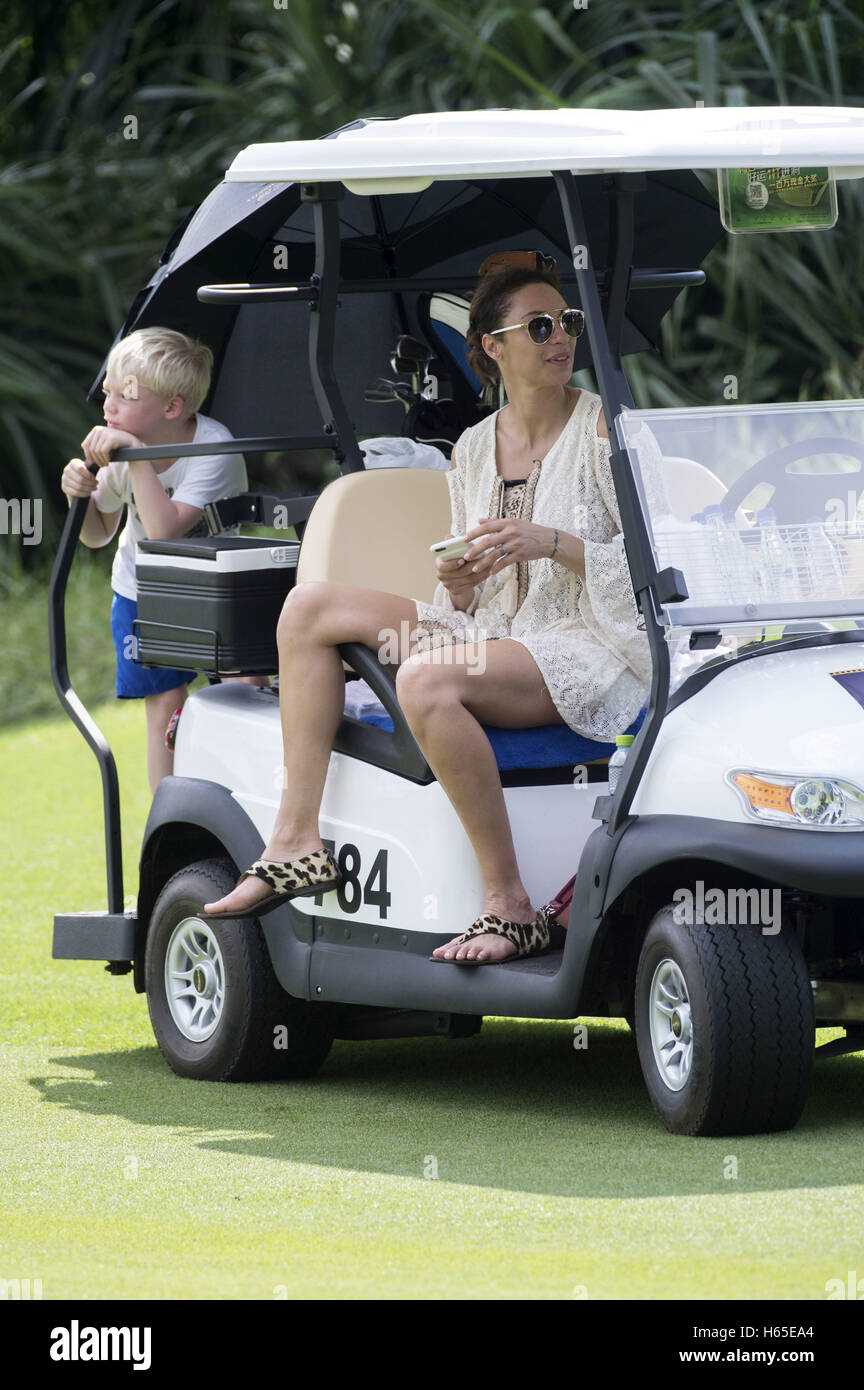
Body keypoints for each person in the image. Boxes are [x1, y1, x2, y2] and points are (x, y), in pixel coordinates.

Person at [203, 264, 653, 965]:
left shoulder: (610, 430)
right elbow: (466, 599)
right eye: (539, 326)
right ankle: (296, 840)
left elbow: (653, 570)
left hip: (584, 643)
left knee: (425, 681)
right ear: (493, 347)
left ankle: (510, 905)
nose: (560, 337)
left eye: (566, 322)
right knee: (308, 607)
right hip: (490, 633)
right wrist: (459, 583)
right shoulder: (475, 445)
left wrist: (554, 543)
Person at [60, 326, 248, 793]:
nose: (108, 408)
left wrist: (139, 459)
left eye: (124, 395)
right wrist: (78, 496)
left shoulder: (213, 449)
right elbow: (99, 534)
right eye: (106, 392)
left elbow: (165, 530)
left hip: (219, 588)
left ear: (171, 408)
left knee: (246, 689)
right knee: (164, 705)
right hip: (142, 591)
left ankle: (248, 796)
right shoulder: (124, 450)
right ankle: (167, 817)